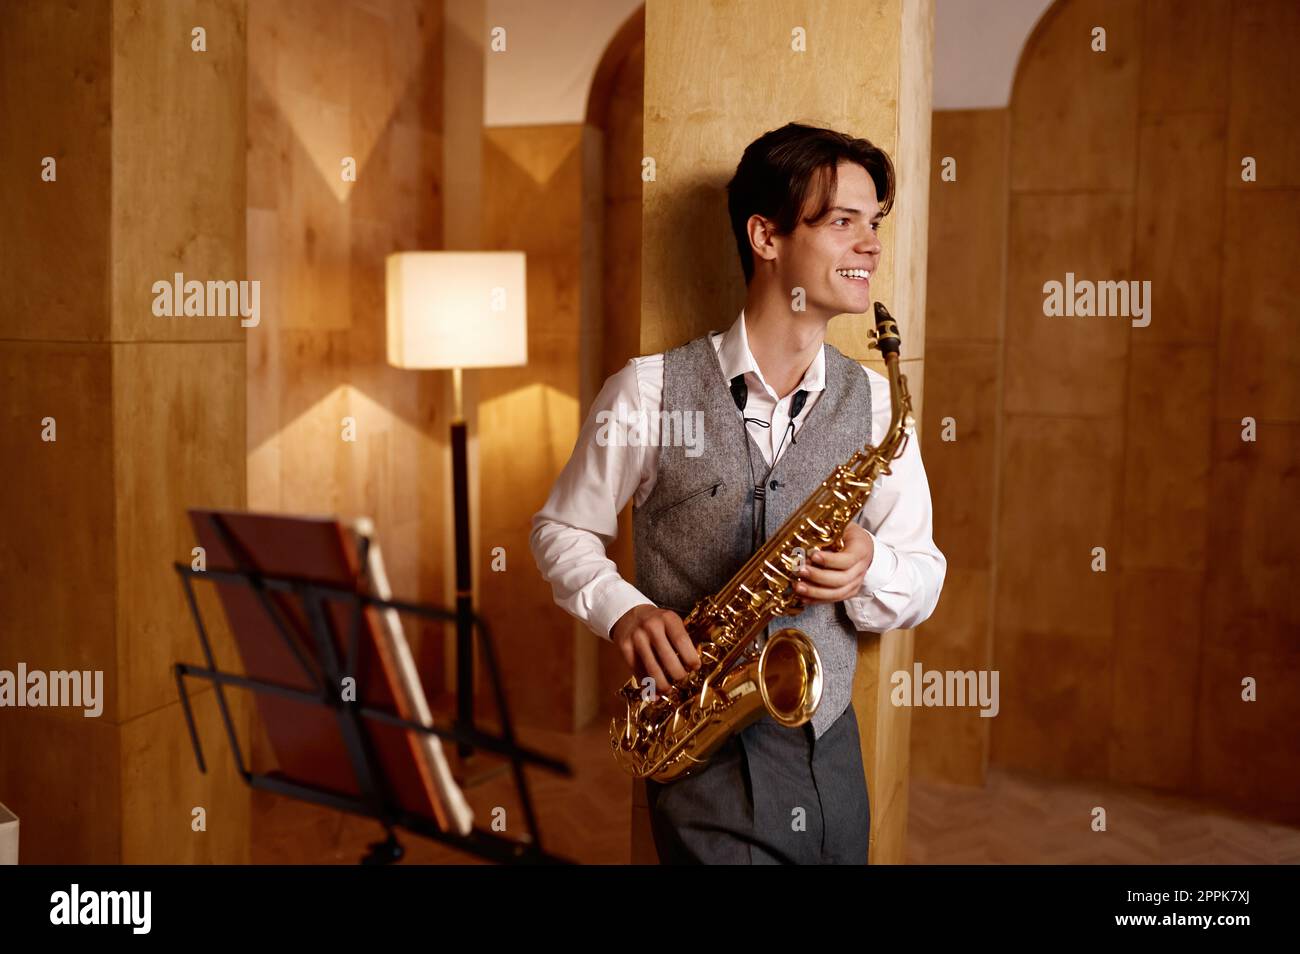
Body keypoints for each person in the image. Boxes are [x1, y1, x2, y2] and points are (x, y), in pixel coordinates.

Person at [529, 121, 946, 864]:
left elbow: (925, 575)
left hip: (830, 758)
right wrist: (624, 612)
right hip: (702, 756)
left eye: (873, 223)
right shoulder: (648, 391)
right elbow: (561, 529)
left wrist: (871, 568)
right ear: (766, 238)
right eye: (842, 221)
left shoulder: (880, 408)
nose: (871, 245)